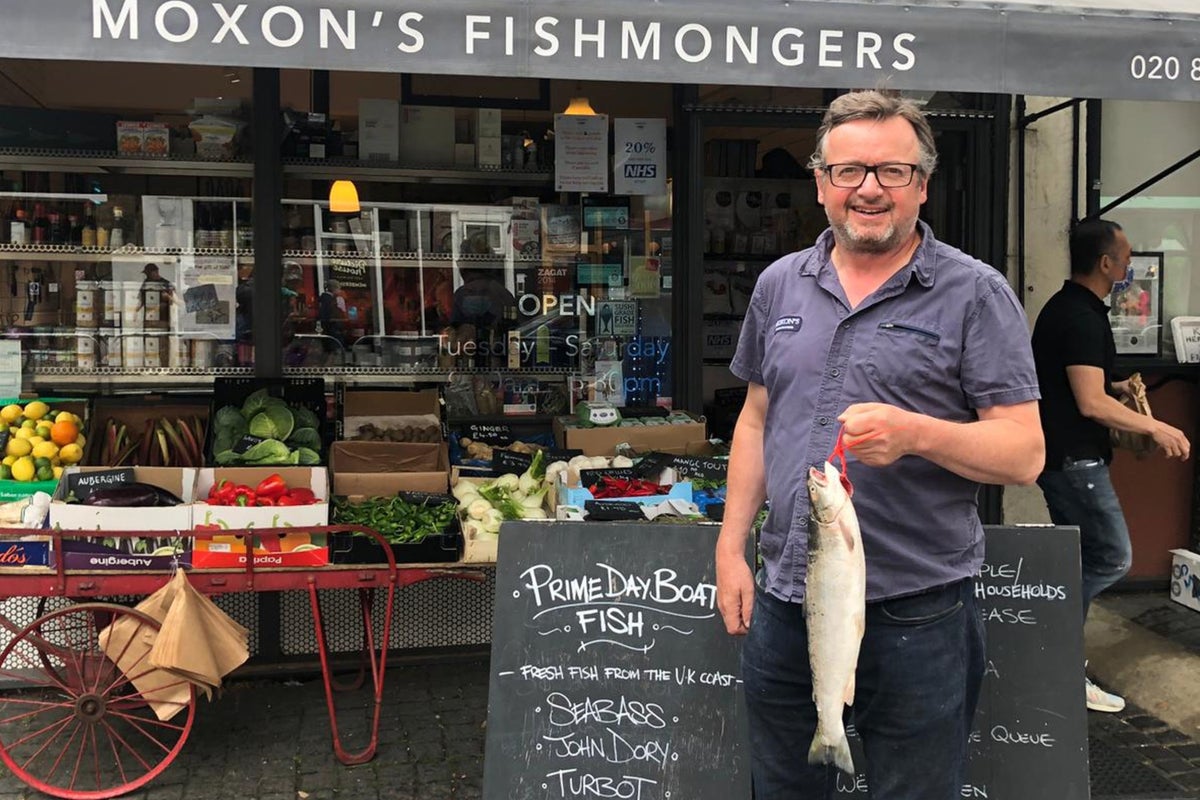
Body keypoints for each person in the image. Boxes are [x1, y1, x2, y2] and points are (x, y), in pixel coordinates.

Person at [714, 90, 1045, 800]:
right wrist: (729, 548)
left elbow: (1024, 454)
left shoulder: (975, 294)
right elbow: (755, 420)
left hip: (918, 610)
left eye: (892, 171)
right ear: (821, 182)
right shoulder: (779, 285)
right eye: (849, 171)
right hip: (784, 596)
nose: (868, 188)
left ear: (922, 184)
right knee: (782, 787)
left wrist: (917, 434)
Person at [1031, 218, 1189, 713]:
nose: (1130, 264)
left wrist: (1116, 385)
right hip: (1073, 460)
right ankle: (1054, 650)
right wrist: (1156, 428)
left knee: (1083, 557)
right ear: (1105, 263)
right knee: (1110, 557)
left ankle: (1052, 649)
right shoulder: (1078, 316)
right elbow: (1090, 402)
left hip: (1068, 456)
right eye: (1126, 256)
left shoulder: (1073, 308)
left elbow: (1086, 385)